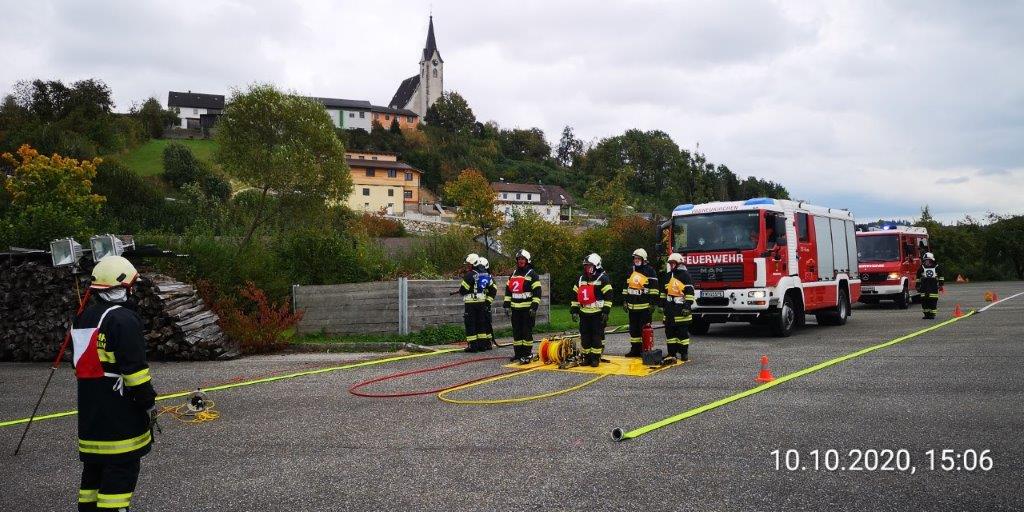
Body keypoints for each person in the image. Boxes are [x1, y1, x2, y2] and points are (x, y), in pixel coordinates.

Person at [72, 256, 157, 512]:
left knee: (93, 475)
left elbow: (79, 364)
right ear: (124, 287)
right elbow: (135, 371)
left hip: (91, 414)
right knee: (120, 474)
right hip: (120, 417)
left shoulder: (83, 317)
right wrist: (148, 403)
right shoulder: (124, 320)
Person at [571, 253, 613, 367]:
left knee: (596, 336)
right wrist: (574, 311)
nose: (587, 268)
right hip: (584, 313)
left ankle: (595, 358)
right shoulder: (580, 279)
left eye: (590, 266)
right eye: (586, 266)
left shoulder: (602, 279)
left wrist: (605, 312)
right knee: (585, 336)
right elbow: (575, 296)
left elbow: (609, 297)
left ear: (596, 266)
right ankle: (586, 357)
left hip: (597, 314)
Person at [503, 249, 542, 364]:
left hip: (527, 309)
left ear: (527, 260)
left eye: (522, 259)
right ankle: (518, 354)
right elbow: (508, 291)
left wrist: (534, 307)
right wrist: (506, 305)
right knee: (517, 332)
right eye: (519, 259)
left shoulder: (532, 274)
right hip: (515, 309)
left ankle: (527, 354)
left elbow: (537, 292)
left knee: (526, 332)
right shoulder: (513, 274)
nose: (520, 261)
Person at [622, 248, 660, 357]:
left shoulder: (650, 271)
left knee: (644, 330)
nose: (636, 260)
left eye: (639, 258)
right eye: (635, 258)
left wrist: (653, 303)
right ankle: (635, 350)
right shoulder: (631, 270)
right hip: (632, 307)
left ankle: (645, 350)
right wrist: (625, 301)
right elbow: (626, 287)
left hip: (645, 307)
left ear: (644, 259)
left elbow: (654, 288)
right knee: (633, 331)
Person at [662, 252, 696, 361]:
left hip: (681, 310)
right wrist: (661, 305)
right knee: (670, 334)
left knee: (682, 334)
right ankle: (672, 354)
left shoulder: (685, 276)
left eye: (673, 263)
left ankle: (684, 353)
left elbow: (690, 294)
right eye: (670, 263)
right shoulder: (668, 276)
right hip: (670, 310)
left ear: (679, 263)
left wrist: (687, 307)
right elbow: (664, 293)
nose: (671, 265)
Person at [458, 253, 487, 352]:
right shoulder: (485, 274)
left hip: (471, 303)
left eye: (469, 264)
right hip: (482, 302)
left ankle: (473, 346)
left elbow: (463, 290)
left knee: (471, 324)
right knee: (481, 324)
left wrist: (463, 291)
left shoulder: (470, 275)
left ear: (473, 264)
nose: (467, 266)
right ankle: (482, 345)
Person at [476, 257, 498, 350]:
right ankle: (480, 342)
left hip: (485, 304)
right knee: (478, 323)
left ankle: (488, 342)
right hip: (476, 304)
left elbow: (493, 290)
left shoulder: (489, 278)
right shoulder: (475, 276)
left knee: (487, 323)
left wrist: (487, 302)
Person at [916, 252, 944, 319]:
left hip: (933, 287)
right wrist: (917, 286)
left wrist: (941, 285)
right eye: (925, 260)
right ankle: (926, 314)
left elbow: (941, 277)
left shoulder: (937, 267)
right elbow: (918, 278)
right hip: (924, 287)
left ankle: (932, 314)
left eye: (928, 260)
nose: (927, 261)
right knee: (924, 302)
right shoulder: (921, 268)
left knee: (933, 301)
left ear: (932, 260)